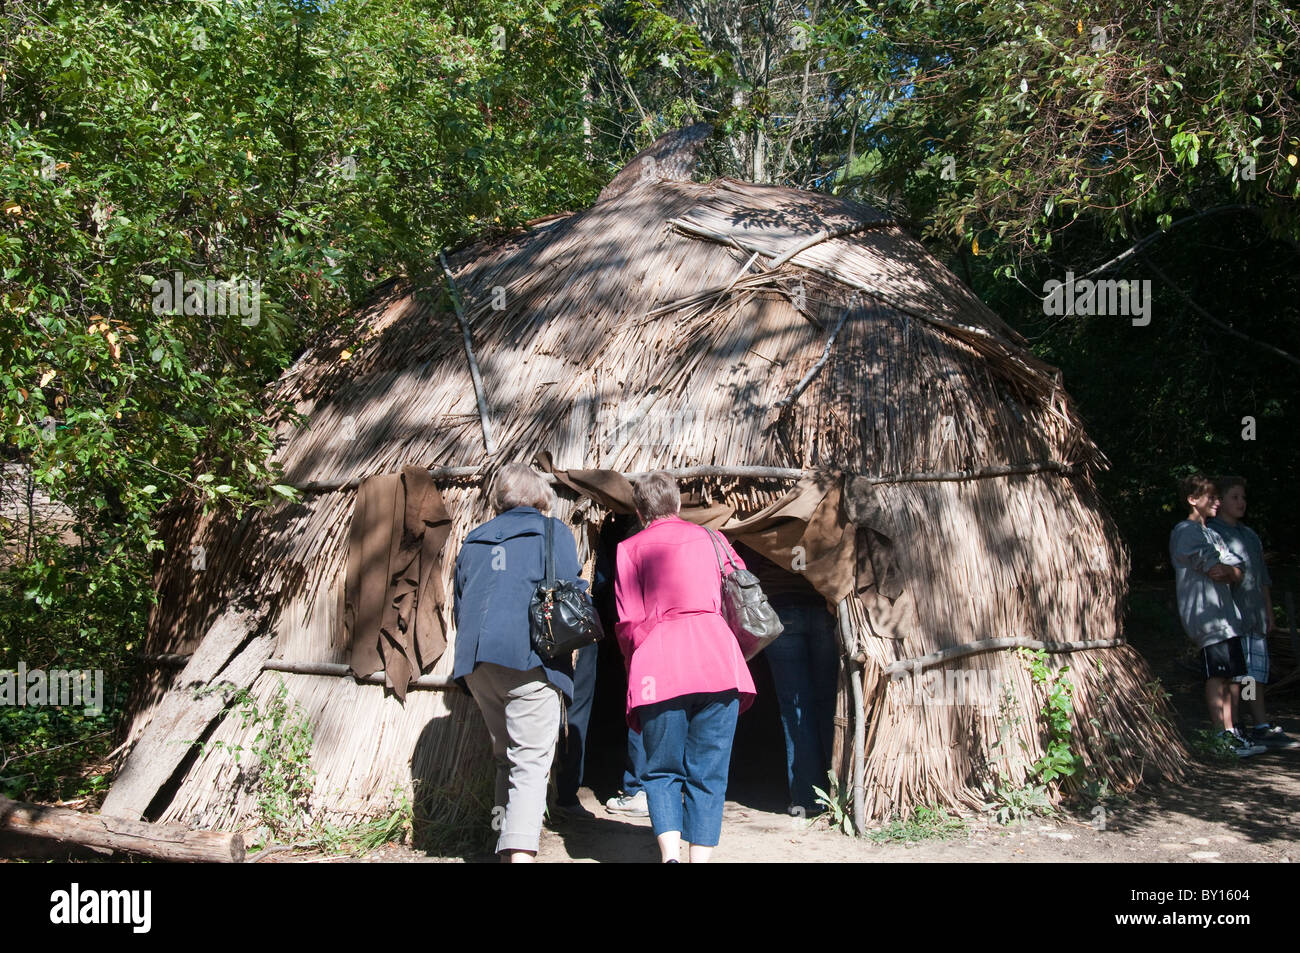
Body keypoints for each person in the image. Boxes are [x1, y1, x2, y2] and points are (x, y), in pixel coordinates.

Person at [614, 471, 756, 862]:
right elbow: (741, 595)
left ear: (641, 512)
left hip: (660, 670)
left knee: (661, 771)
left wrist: (635, 660)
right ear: (677, 504)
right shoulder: (714, 539)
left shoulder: (629, 549)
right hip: (719, 664)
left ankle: (670, 857)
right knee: (709, 772)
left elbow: (628, 623)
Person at [452, 462, 586, 861]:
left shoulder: (474, 539)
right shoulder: (553, 532)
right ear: (540, 496)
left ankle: (500, 841)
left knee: (504, 759)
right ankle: (520, 856)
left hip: (477, 663)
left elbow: (460, 602)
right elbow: (571, 588)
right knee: (529, 763)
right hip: (530, 658)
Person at [734, 542, 839, 814]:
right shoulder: (815, 510)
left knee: (795, 707)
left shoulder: (765, 516)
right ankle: (839, 791)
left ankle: (807, 799)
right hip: (821, 607)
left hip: (781, 610)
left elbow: (747, 565)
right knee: (830, 702)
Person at [1169, 473, 1265, 757]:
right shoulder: (1185, 531)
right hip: (1207, 616)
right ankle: (1221, 734)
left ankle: (1232, 730)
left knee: (1233, 676)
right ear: (1193, 499)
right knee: (1218, 675)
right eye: (1211, 497)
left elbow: (1234, 568)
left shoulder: (1211, 533)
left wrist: (1231, 571)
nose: (1217, 502)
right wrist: (1227, 570)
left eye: (1217, 497)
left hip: (1227, 617)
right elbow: (1214, 567)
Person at [1209, 476, 1299, 750]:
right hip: (1231, 618)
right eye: (1234, 497)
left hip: (1255, 616)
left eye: (1243, 497)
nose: (1241, 502)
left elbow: (1262, 579)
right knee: (1234, 676)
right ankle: (1234, 726)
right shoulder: (1214, 532)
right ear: (1220, 501)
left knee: (1254, 674)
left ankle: (1260, 725)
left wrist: (1269, 613)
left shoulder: (1250, 535)